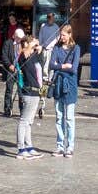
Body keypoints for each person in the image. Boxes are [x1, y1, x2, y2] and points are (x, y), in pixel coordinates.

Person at [49, 23, 80, 156]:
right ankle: (60, 146)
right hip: (58, 84)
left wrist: (59, 65)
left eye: (63, 35)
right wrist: (64, 66)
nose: (61, 37)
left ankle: (70, 147)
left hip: (70, 86)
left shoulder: (76, 48)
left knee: (69, 118)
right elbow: (51, 65)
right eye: (60, 35)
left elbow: (74, 68)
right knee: (59, 116)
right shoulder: (56, 47)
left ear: (69, 34)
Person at [15, 36, 45, 159]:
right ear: (27, 44)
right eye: (32, 41)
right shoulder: (23, 56)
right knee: (23, 121)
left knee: (29, 122)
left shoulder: (34, 56)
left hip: (36, 92)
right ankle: (21, 149)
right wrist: (32, 44)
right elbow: (25, 53)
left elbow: (40, 74)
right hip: (28, 92)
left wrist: (39, 51)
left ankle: (29, 146)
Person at [2, 27, 25, 116]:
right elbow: (4, 56)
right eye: (18, 38)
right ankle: (7, 109)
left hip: (20, 70)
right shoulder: (8, 43)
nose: (19, 40)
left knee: (21, 90)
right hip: (11, 70)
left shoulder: (23, 44)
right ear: (14, 36)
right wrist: (9, 65)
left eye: (21, 38)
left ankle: (22, 109)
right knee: (9, 90)